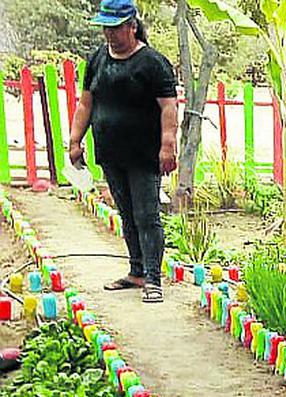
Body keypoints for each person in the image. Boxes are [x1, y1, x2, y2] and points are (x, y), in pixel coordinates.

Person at [68, 0, 177, 303]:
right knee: (127, 214)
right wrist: (75, 140)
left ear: (132, 26)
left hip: (144, 154)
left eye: (115, 28)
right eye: (106, 27)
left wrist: (168, 146)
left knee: (146, 215)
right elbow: (86, 103)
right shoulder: (98, 59)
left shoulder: (153, 63)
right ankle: (137, 271)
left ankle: (154, 279)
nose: (110, 34)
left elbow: (168, 108)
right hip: (111, 152)